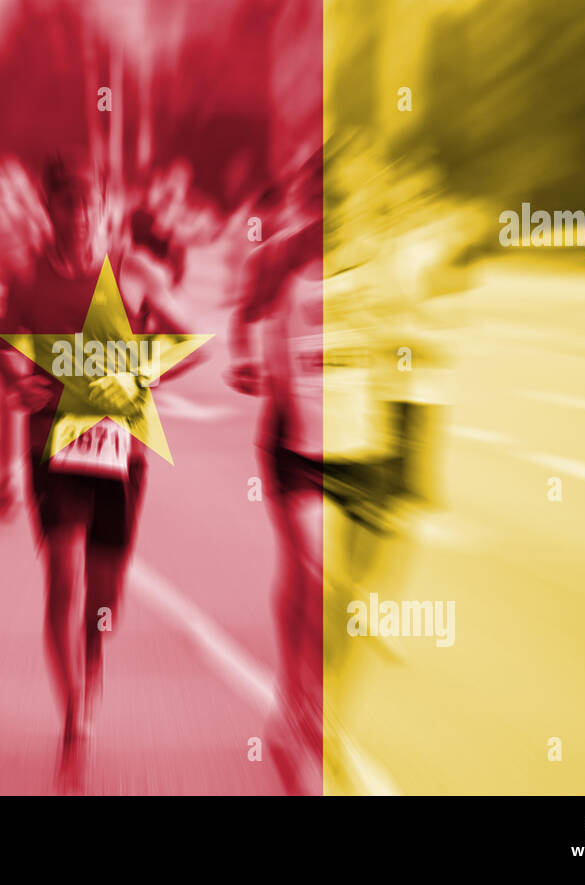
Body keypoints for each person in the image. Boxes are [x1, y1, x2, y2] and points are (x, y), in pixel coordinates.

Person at [2, 154, 202, 791]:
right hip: (52, 447)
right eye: (69, 203)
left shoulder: (133, 272)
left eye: (91, 203)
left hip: (120, 453)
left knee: (105, 597)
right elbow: (6, 351)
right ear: (50, 208)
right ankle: (72, 714)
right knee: (62, 569)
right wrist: (18, 386)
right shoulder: (25, 279)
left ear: (104, 206)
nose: (82, 215)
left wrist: (143, 377)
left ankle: (91, 660)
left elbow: (193, 338)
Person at [226, 148, 328, 794]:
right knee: (307, 568)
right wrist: (248, 364)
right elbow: (244, 316)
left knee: (312, 576)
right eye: (319, 198)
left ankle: (297, 700)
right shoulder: (280, 253)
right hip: (290, 439)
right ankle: (299, 704)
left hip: (348, 442)